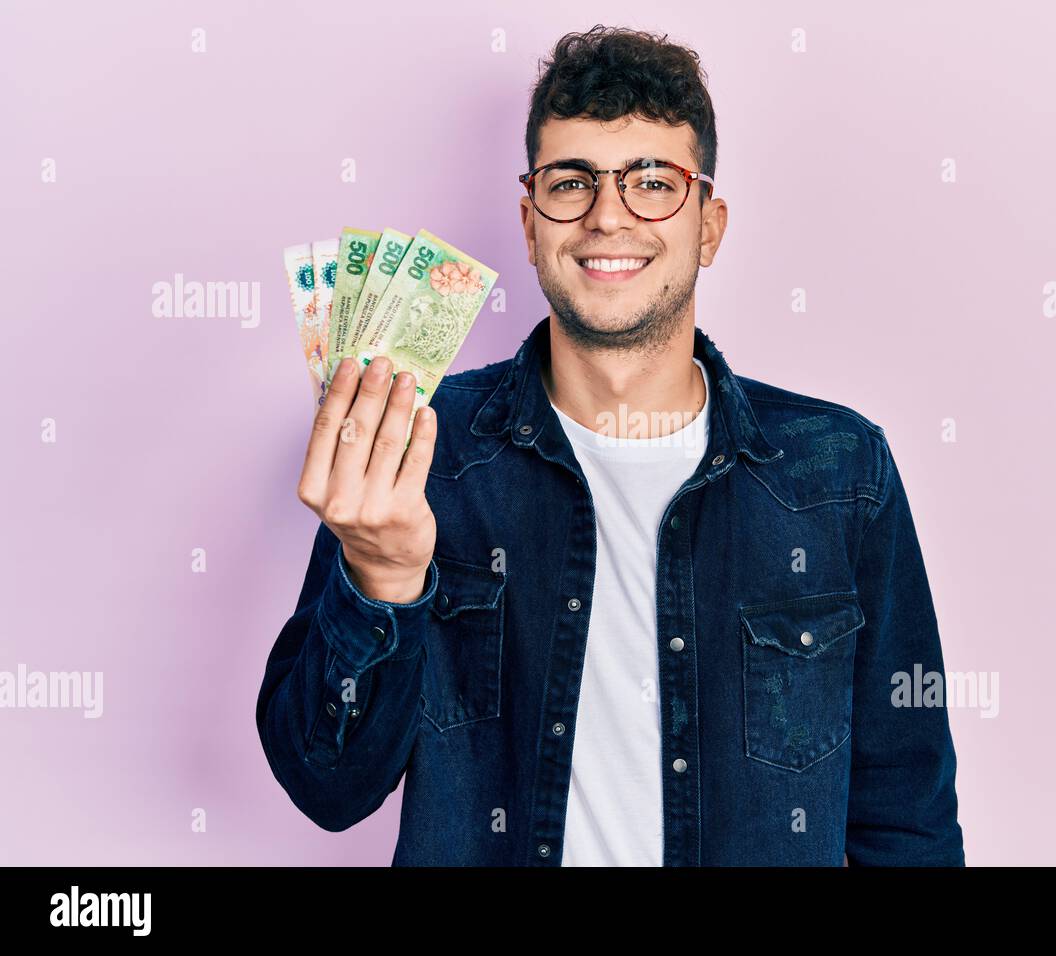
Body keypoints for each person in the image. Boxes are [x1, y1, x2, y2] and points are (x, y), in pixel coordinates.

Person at [256, 24, 965, 867]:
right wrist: (380, 576)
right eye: (571, 183)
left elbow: (907, 822)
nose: (607, 216)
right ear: (529, 222)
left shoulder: (841, 473)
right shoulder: (417, 448)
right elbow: (325, 787)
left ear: (709, 225)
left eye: (653, 183)